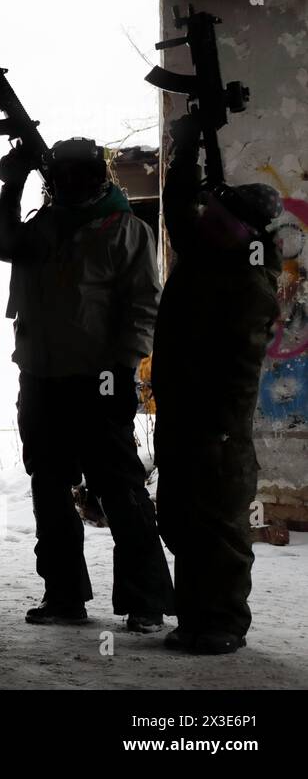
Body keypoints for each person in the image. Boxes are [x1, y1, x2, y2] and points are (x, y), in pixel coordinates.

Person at [0, 137, 173, 631]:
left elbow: (142, 308)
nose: (70, 184)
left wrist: (122, 366)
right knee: (49, 488)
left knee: (119, 489)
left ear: (99, 178)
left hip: (100, 378)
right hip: (42, 378)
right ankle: (64, 595)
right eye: (62, 176)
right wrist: (12, 185)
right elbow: (3, 244)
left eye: (79, 175)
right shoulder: (45, 225)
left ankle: (146, 600)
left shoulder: (125, 230)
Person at [153, 115, 283, 654]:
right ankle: (194, 619)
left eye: (218, 214)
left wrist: (220, 431)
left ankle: (224, 624)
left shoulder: (248, 282)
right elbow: (178, 206)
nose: (205, 217)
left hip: (217, 428)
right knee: (183, 521)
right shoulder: (206, 252)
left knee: (222, 529)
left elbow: (239, 372)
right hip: (183, 416)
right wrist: (186, 150)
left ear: (245, 230)